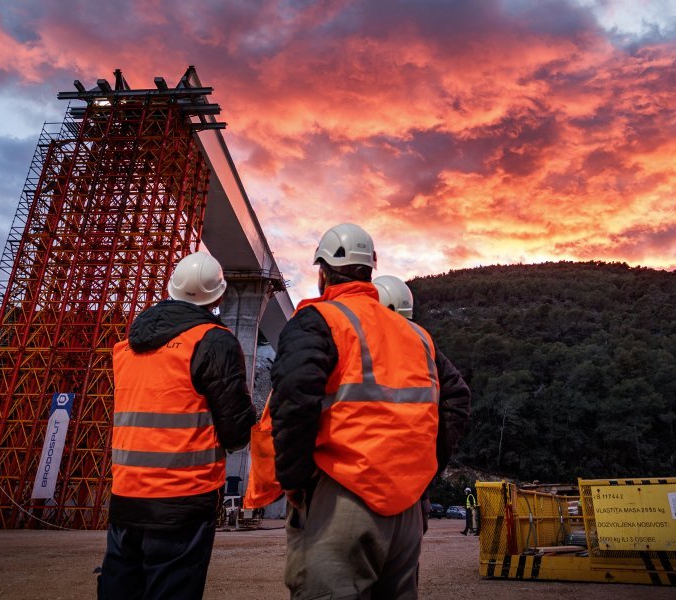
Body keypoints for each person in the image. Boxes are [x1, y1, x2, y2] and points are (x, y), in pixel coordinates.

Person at [270, 224, 471, 599]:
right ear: (370, 271)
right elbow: (457, 399)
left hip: (343, 495)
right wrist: (426, 473)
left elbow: (294, 399)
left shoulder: (321, 320)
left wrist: (293, 480)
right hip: (407, 510)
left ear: (322, 272)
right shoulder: (416, 335)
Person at [98, 251, 256, 600]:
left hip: (126, 496)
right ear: (218, 297)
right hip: (183, 498)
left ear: (171, 288)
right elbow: (236, 430)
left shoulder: (127, 347)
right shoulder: (213, 341)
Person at [373, 275, 472, 537]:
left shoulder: (361, 344)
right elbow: (458, 397)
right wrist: (432, 466)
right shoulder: (424, 344)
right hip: (413, 490)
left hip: (363, 485)